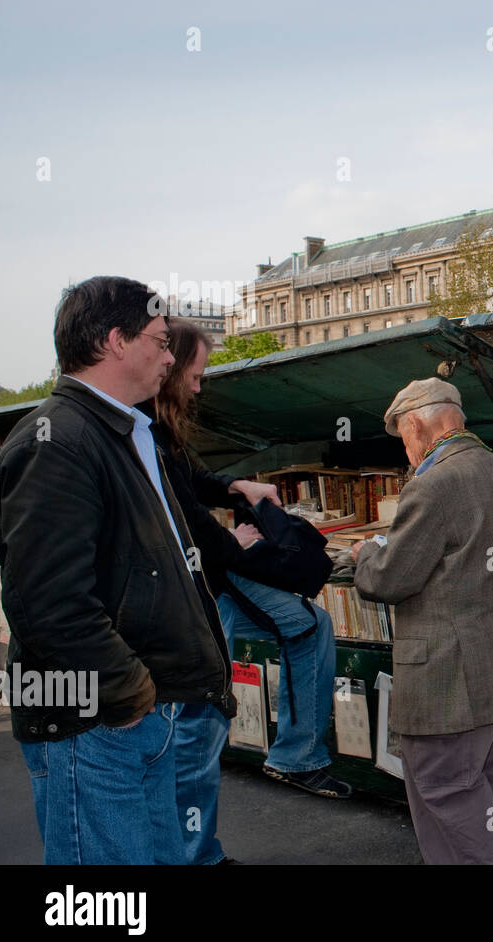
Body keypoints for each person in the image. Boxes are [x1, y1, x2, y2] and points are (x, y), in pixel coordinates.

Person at [0, 276, 235, 865]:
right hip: (97, 727)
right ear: (115, 342)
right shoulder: (59, 441)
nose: (170, 355)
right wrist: (129, 693)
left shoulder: (124, 433)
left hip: (131, 719)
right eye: (159, 340)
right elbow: (47, 602)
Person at [149, 320, 350, 864]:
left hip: (212, 573)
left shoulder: (157, 427)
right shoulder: (142, 428)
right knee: (197, 726)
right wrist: (234, 545)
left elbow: (193, 483)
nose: (196, 386)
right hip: (205, 578)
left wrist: (236, 486)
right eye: (193, 374)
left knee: (202, 724)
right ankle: (200, 851)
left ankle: (206, 845)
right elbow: (184, 514)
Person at [353, 378, 493, 864]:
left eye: (405, 440)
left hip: (447, 681)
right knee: (490, 788)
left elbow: (388, 580)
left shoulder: (433, 485)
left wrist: (366, 552)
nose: (408, 451)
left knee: (446, 792)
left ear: (414, 423)